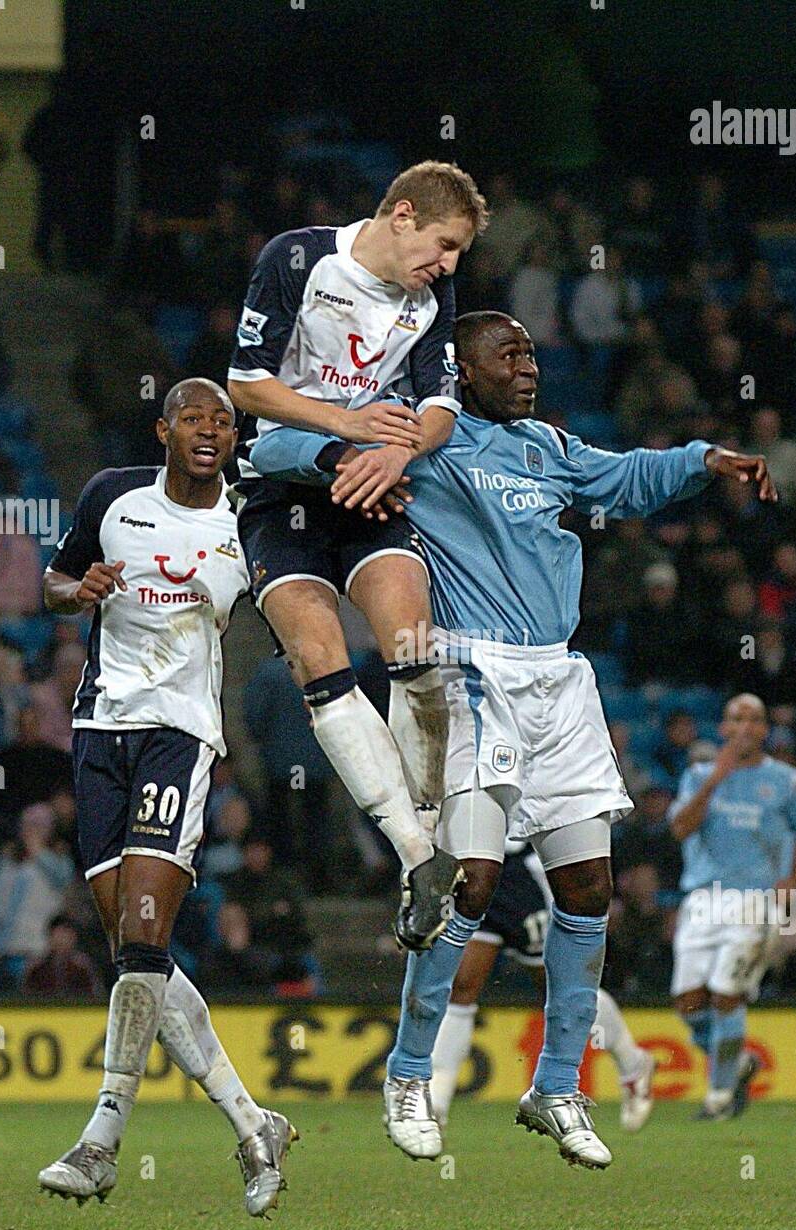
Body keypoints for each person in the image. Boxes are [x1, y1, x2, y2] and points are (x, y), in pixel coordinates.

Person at [263, 309, 777, 1167]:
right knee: (470, 881)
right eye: (507, 354)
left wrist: (704, 461)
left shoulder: (546, 445)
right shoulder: (426, 432)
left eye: (532, 352)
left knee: (586, 889)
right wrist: (349, 447)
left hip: (559, 680)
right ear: (460, 371)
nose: (527, 364)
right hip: (471, 673)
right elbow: (271, 447)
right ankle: (408, 1077)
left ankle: (559, 1086)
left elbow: (626, 478)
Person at [37, 379, 296, 1217]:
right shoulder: (112, 496)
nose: (211, 430)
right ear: (164, 430)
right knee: (136, 954)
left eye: (224, 419)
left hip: (180, 733)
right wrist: (76, 592)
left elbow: (299, 589)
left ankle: (102, 1139)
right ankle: (256, 1123)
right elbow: (53, 580)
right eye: (194, 417)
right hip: (100, 731)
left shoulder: (251, 514)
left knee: (146, 931)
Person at [227, 161, 488, 951]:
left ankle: (433, 825)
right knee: (318, 659)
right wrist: (350, 430)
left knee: (416, 649)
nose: (448, 267)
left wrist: (397, 452)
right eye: (444, 246)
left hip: (372, 479)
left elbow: (441, 404)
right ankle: (418, 858)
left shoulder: (430, 299)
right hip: (282, 482)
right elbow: (247, 386)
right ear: (403, 215)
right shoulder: (299, 260)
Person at [668, 694, 796, 1118]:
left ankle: (720, 1098)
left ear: (765, 730)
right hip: (702, 898)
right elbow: (681, 829)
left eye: (755, 719)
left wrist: (792, 881)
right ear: (723, 728)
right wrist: (713, 781)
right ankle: (738, 1063)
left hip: (756, 900)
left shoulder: (788, 781)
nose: (746, 726)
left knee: (728, 992)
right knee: (688, 1002)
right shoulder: (699, 775)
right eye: (737, 718)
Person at [429, 842, 657, 1134]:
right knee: (460, 985)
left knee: (562, 989)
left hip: (521, 873)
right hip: (474, 866)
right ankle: (437, 1103)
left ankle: (634, 1064)